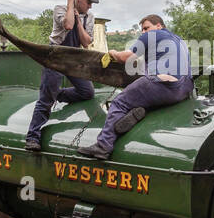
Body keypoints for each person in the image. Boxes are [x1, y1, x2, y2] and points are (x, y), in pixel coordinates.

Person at [78, 14, 192, 159]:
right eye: (142, 30)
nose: (144, 32)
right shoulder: (179, 41)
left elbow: (126, 57)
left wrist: (113, 53)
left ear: (159, 26)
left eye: (146, 28)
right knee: (146, 95)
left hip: (163, 84)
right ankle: (138, 112)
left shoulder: (153, 35)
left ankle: (103, 146)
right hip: (183, 89)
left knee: (119, 102)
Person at [25, 0, 99, 151]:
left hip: (74, 57)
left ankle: (55, 93)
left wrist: (80, 21)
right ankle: (32, 137)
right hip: (56, 56)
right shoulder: (60, 9)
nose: (90, 6)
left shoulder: (89, 16)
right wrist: (70, 3)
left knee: (87, 92)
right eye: (88, 3)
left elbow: (86, 41)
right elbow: (67, 25)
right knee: (45, 102)